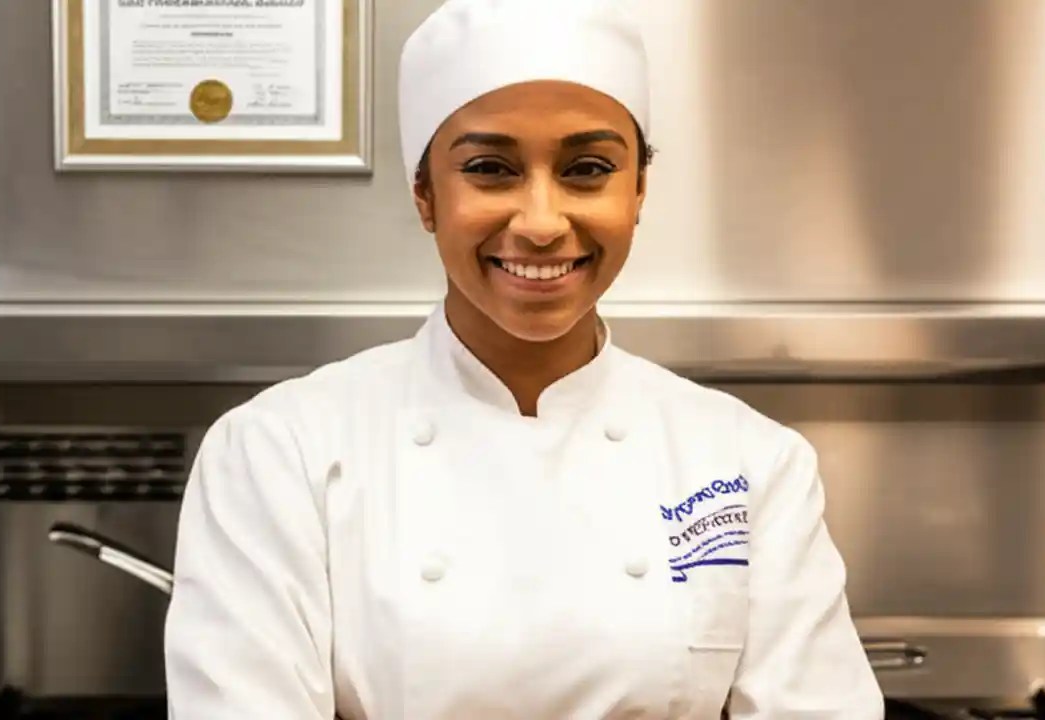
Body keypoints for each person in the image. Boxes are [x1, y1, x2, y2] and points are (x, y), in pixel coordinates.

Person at [164, 0, 885, 717]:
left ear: (637, 191)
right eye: (489, 169)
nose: (542, 223)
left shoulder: (750, 462)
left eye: (588, 169)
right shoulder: (278, 452)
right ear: (425, 196)